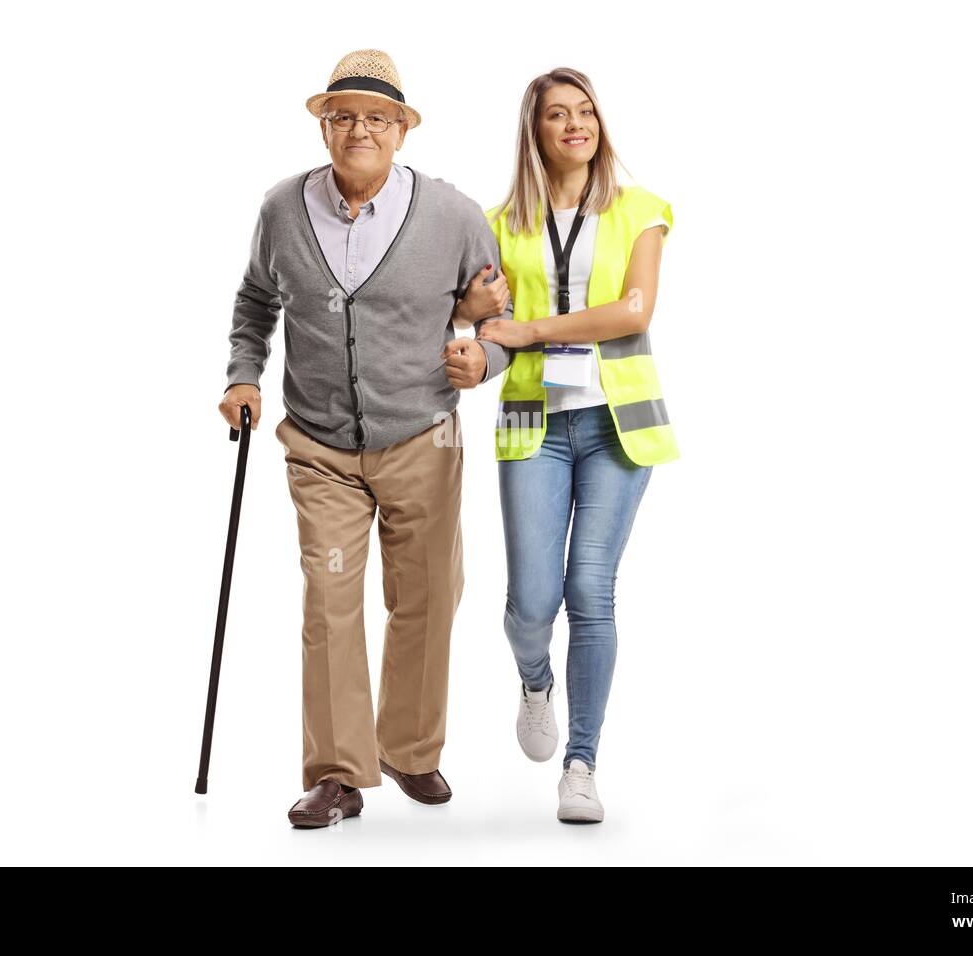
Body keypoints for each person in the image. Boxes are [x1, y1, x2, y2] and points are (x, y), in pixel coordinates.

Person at [217, 49, 514, 828]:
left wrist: (485, 356)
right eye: (343, 115)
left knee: (425, 597)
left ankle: (411, 749)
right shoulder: (283, 209)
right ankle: (339, 773)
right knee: (330, 594)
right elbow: (255, 299)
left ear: (401, 132)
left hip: (423, 436)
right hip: (318, 444)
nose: (359, 130)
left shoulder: (453, 216)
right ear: (323, 126)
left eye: (376, 118)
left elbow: (497, 317)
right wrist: (242, 376)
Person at [459, 66, 679, 823]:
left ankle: (581, 764)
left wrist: (533, 329)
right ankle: (534, 680)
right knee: (531, 602)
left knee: (591, 593)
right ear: (536, 130)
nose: (575, 125)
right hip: (534, 422)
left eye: (585, 111)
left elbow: (633, 311)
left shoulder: (642, 209)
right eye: (557, 114)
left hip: (619, 424)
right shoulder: (498, 224)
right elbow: (483, 324)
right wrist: (484, 336)